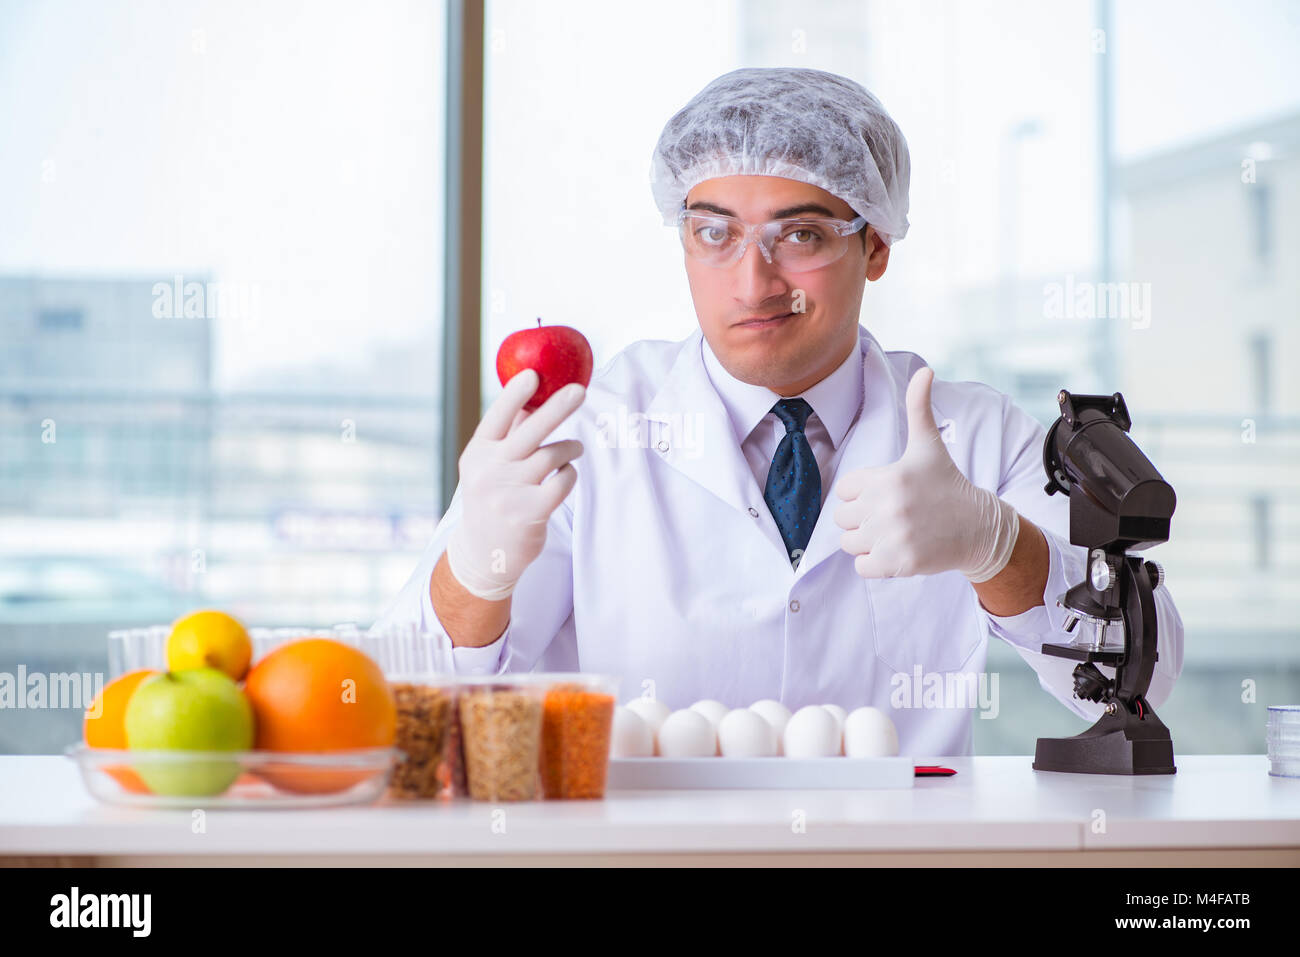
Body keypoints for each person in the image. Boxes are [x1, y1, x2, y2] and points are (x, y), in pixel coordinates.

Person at [375, 67, 1184, 756]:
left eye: (799, 234)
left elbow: (1145, 680)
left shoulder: (976, 435)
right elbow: (418, 699)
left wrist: (996, 546)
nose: (753, 282)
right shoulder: (594, 426)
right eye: (713, 233)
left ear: (875, 246)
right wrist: (479, 565)